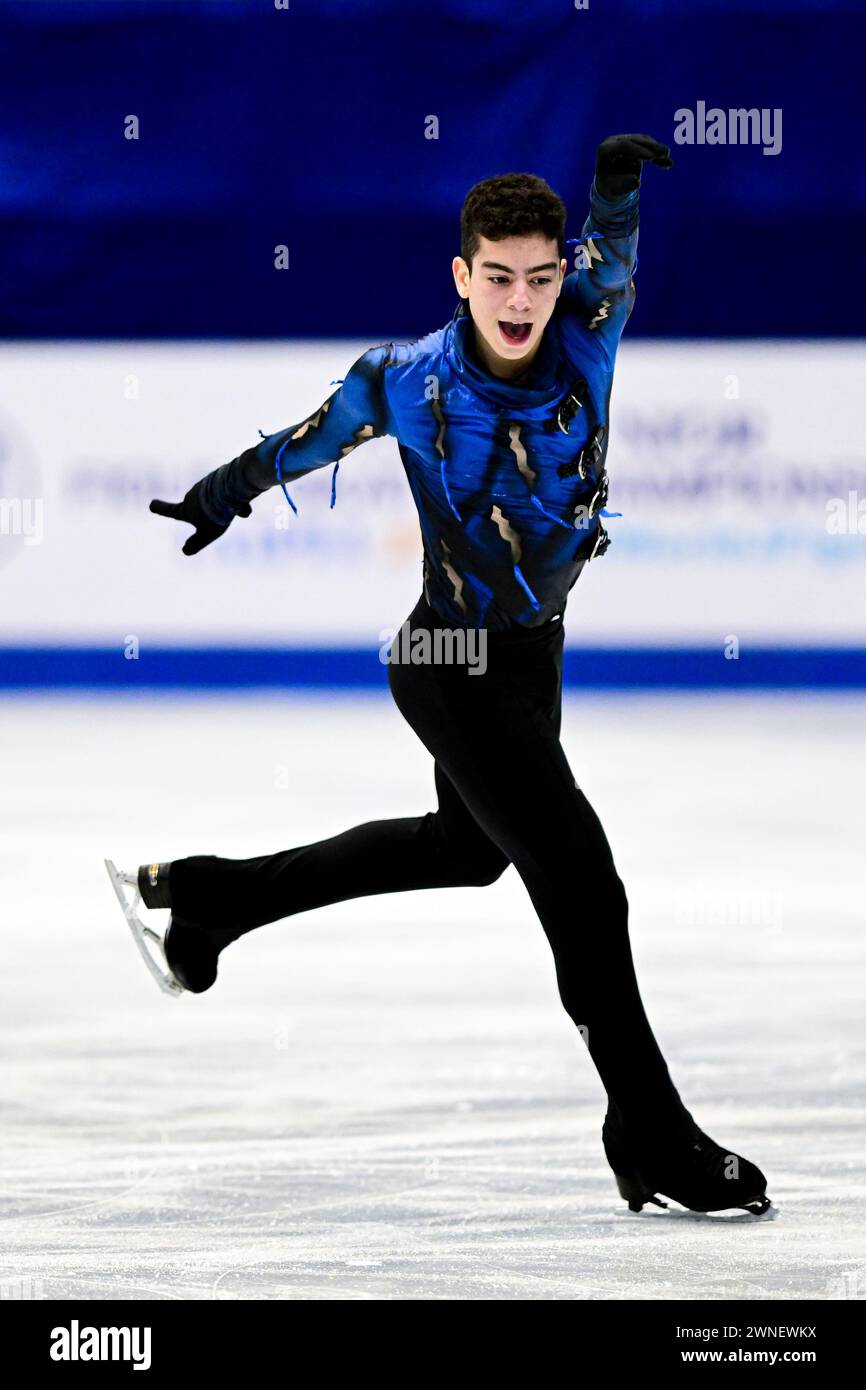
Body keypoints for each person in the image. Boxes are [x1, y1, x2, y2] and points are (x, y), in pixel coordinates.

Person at [134, 134, 772, 1216]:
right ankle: (651, 1128)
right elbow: (308, 436)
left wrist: (612, 188)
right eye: (496, 277)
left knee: (466, 850)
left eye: (537, 276)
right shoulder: (408, 376)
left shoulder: (585, 333)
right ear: (460, 275)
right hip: (443, 657)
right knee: (579, 873)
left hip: (529, 656)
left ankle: (214, 895)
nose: (518, 301)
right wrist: (221, 490)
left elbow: (612, 250)